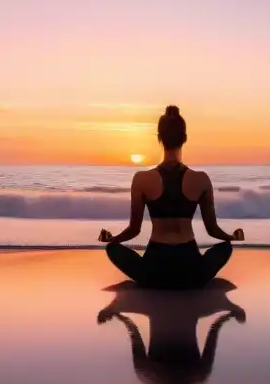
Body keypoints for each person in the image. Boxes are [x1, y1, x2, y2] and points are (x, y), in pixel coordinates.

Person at [99, 105, 244, 289]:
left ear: (159, 139)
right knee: (225, 247)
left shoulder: (141, 179)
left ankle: (152, 281)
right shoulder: (201, 179)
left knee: (113, 249)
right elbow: (212, 230)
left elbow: (134, 230)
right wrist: (232, 236)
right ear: (184, 138)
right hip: (191, 271)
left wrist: (112, 240)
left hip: (154, 271)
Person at [96, 279, 246, 384]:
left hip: (168, 297)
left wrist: (231, 313)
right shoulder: (149, 375)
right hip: (184, 297)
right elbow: (134, 333)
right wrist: (116, 314)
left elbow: (214, 330)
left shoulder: (197, 375)